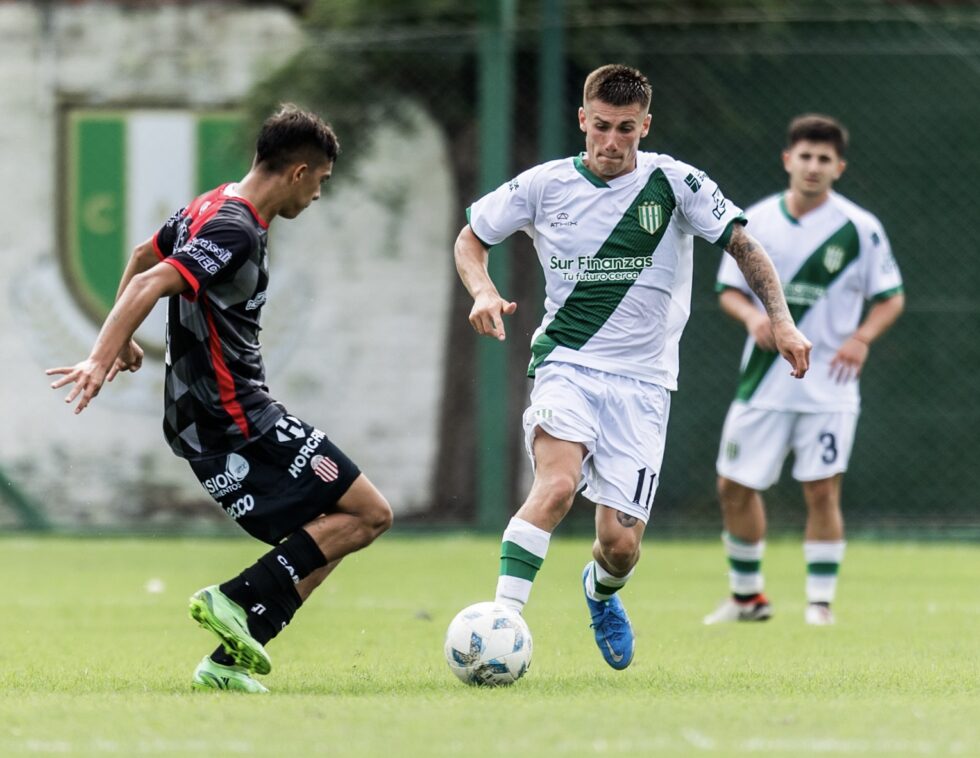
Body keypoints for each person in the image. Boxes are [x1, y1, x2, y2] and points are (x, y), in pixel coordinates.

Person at [454, 64, 811, 670]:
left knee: (620, 546)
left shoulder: (676, 183)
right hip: (566, 362)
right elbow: (471, 238)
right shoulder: (543, 186)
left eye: (625, 129)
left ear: (646, 125)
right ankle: (503, 619)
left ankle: (600, 591)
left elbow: (745, 247)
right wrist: (482, 291)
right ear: (582, 121)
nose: (612, 142)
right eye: (600, 127)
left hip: (644, 383)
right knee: (557, 484)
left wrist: (780, 320)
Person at [48, 105, 393, 692]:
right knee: (369, 512)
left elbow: (139, 255)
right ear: (299, 171)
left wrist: (127, 337)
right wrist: (102, 355)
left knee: (324, 531)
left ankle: (229, 662)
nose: (317, 197)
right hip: (235, 415)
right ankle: (233, 598)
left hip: (204, 418)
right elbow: (148, 279)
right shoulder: (234, 229)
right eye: (321, 183)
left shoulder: (208, 205)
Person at [704, 114, 904, 627]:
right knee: (733, 486)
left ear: (838, 167)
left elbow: (891, 298)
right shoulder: (757, 221)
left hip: (829, 387)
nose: (813, 167)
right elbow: (728, 289)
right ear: (788, 160)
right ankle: (748, 599)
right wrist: (753, 316)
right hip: (762, 382)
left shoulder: (860, 228)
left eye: (824, 159)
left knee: (822, 488)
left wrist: (861, 338)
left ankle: (819, 604)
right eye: (805, 157)